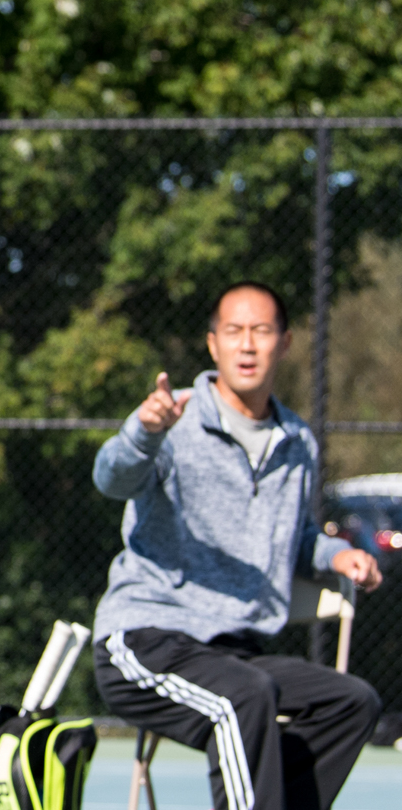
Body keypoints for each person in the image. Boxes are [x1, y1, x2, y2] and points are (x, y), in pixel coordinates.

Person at [91, 281, 384, 810]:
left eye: (261, 331)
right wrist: (141, 432)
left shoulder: (298, 441)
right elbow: (111, 478)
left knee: (352, 702)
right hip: (147, 639)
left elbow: (294, 538)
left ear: (286, 343)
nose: (247, 345)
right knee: (244, 698)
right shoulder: (173, 420)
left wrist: (335, 556)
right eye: (234, 332)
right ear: (213, 345)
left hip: (232, 652)